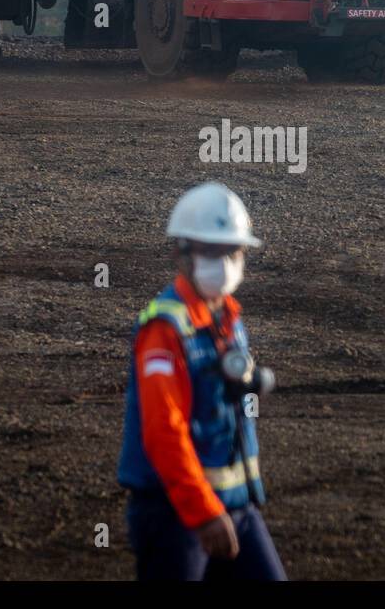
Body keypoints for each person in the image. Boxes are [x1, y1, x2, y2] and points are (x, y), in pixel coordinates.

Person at [117, 182, 286, 580]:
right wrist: (204, 513)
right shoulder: (166, 330)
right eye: (212, 250)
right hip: (175, 514)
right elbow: (164, 433)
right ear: (182, 254)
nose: (224, 262)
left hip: (234, 506)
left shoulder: (227, 319)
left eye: (233, 251)